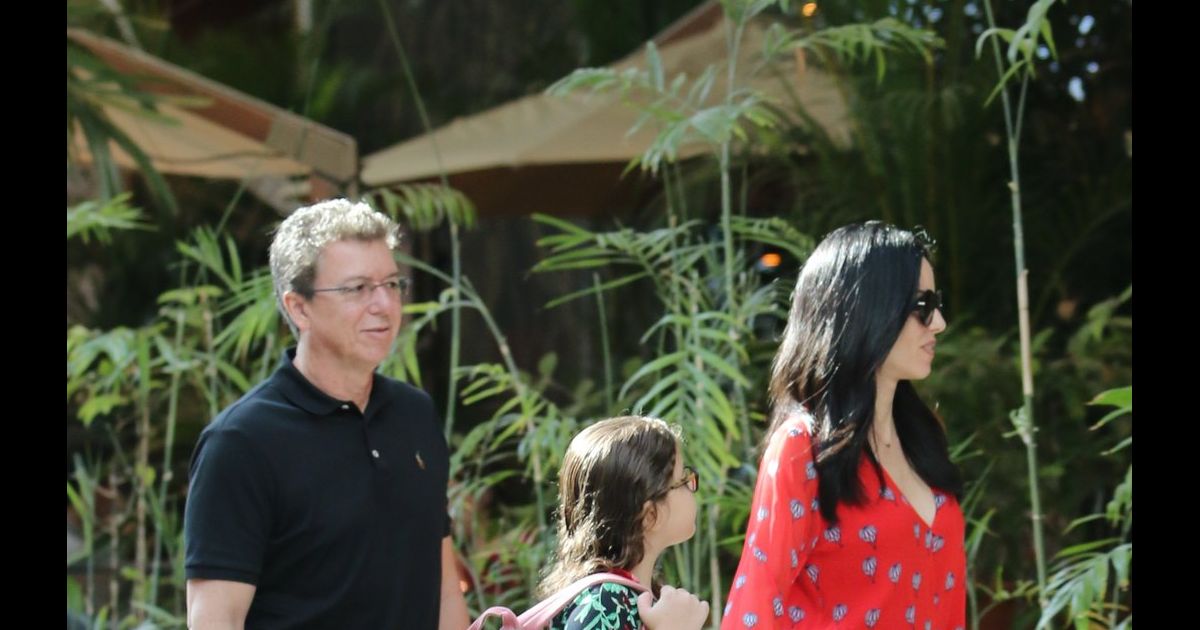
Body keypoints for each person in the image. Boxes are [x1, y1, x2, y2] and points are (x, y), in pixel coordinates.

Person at [184, 198, 470, 629]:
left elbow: (445, 587)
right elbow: (215, 619)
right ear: (299, 307)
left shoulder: (414, 414)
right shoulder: (241, 442)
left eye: (392, 284)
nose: (383, 305)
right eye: (357, 288)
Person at [723, 222, 965, 629]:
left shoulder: (922, 437)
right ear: (867, 311)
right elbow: (755, 607)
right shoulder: (802, 447)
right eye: (921, 306)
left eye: (936, 303)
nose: (938, 322)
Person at [542, 415, 711, 630]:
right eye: (683, 479)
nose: (692, 486)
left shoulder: (626, 596)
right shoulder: (604, 603)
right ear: (650, 515)